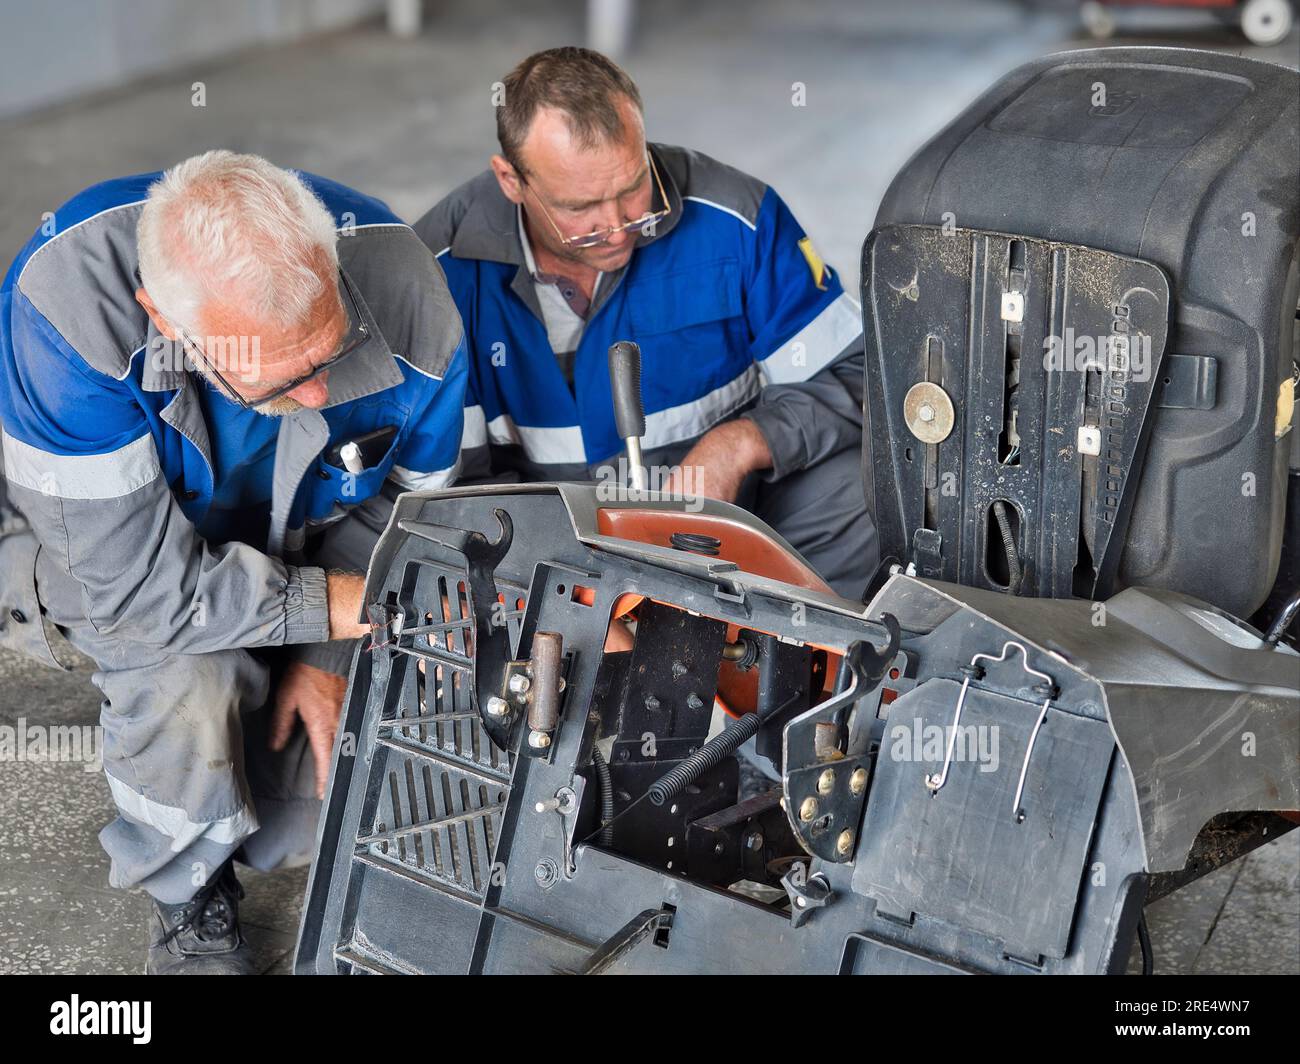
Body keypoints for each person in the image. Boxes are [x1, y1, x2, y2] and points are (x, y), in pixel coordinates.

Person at [0, 151, 467, 972]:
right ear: (168, 324)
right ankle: (188, 901)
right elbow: (137, 587)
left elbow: (413, 507)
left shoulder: (409, 296)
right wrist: (337, 607)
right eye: (285, 378)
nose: (321, 394)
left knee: (299, 822)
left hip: (293, 560)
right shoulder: (68, 310)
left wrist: (325, 656)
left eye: (331, 350)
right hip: (91, 561)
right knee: (190, 680)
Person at [413, 47, 877, 598]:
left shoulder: (737, 220)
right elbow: (442, 498)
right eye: (580, 206)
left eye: (632, 186)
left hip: (726, 531)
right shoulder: (440, 278)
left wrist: (741, 442)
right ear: (511, 181)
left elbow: (858, 374)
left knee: (860, 482)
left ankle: (785, 666)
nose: (617, 227)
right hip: (546, 562)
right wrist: (565, 591)